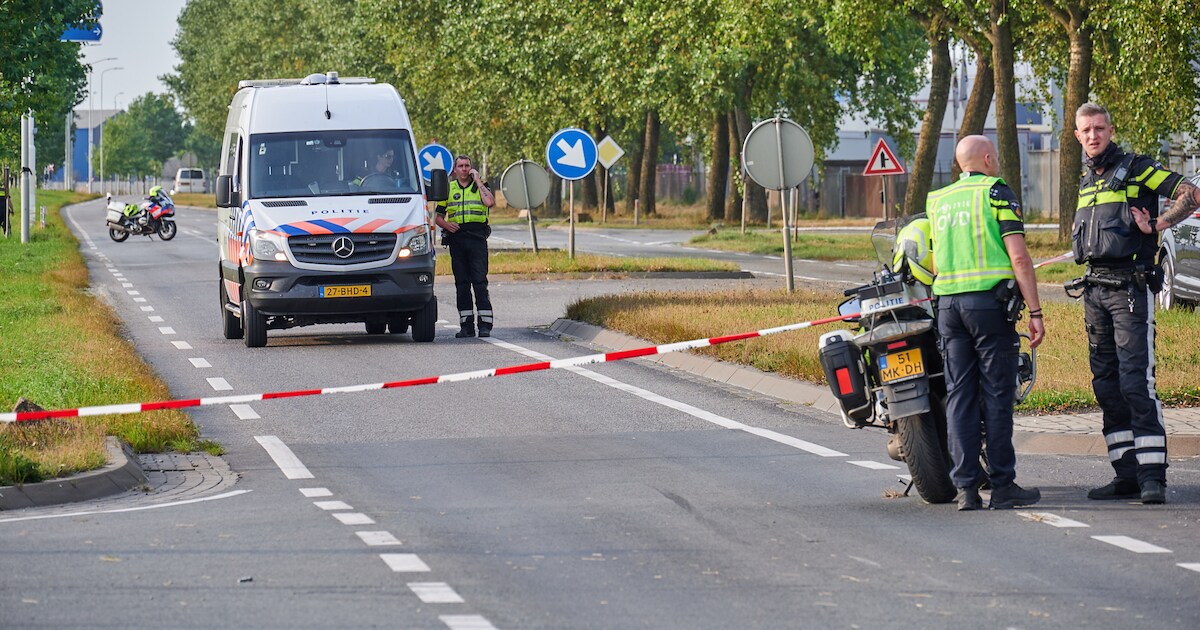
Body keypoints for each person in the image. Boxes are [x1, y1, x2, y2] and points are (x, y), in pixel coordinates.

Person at [1072, 102, 1200, 505]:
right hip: (1094, 293)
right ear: (1078, 136)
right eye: (1086, 130)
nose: (1093, 135)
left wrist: (1160, 224)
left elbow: (1190, 194)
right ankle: (1125, 473)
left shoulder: (1136, 166)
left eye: (1099, 128)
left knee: (1134, 383)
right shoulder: (1086, 180)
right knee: (1106, 386)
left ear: (1110, 129)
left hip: (1130, 290)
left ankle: (1151, 477)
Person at [927, 135, 1045, 511]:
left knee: (960, 396)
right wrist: (1036, 311)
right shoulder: (997, 192)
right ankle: (1003, 485)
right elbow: (1020, 258)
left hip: (948, 308)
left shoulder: (938, 200)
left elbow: (933, 262)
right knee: (996, 395)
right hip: (988, 308)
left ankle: (965, 490)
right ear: (989, 159)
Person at [434, 155, 495, 338]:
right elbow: (437, 216)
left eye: (467, 165)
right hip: (457, 239)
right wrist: (446, 225)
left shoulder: (481, 185)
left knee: (479, 282)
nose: (464, 169)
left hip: (477, 238)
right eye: (460, 166)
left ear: (471, 168)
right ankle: (466, 326)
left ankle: (485, 326)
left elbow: (490, 202)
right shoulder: (449, 188)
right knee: (462, 284)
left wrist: (477, 180)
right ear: (454, 170)